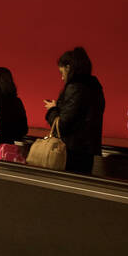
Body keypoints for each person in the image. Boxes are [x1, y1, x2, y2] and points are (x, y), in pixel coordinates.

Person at [44, 46, 105, 175]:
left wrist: (53, 110)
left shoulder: (75, 88)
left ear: (68, 68)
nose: (62, 78)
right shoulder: (94, 88)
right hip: (87, 151)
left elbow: (63, 125)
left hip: (71, 151)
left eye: (62, 73)